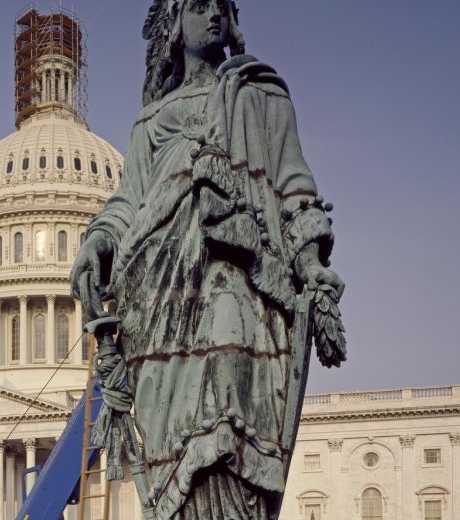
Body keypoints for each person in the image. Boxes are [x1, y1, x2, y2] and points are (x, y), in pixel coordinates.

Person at [70, 1, 344, 518]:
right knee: (173, 432)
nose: (212, 16)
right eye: (198, 7)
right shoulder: (150, 120)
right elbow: (128, 202)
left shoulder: (260, 95)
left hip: (234, 270)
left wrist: (309, 265)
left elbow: (293, 186)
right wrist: (98, 241)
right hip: (158, 293)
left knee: (230, 407)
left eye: (221, 6)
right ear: (174, 24)